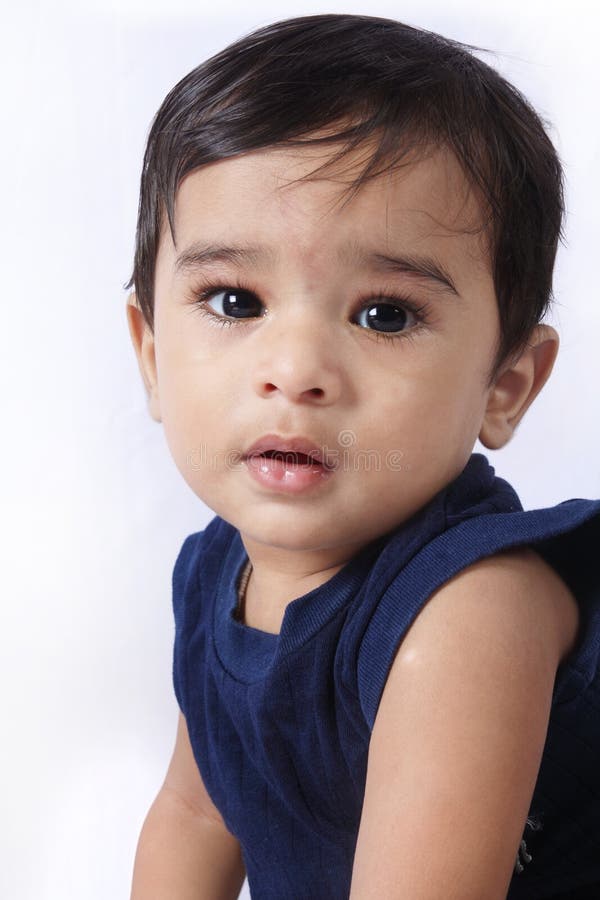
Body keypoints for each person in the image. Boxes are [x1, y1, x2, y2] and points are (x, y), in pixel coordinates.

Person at [124, 14, 600, 899]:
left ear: (505, 385)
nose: (295, 372)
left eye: (384, 314)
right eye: (235, 299)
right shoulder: (215, 573)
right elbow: (197, 815)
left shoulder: (468, 613)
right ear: (152, 356)